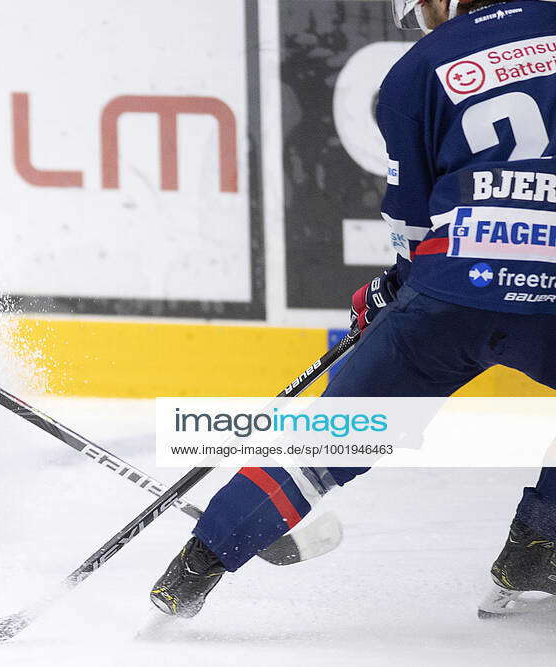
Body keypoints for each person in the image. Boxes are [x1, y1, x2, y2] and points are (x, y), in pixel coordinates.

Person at [150, 0, 556, 618]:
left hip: (450, 293)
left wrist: (398, 287)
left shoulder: (417, 68)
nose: (425, 23)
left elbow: (411, 220)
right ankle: (541, 542)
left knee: (329, 438)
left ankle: (196, 565)